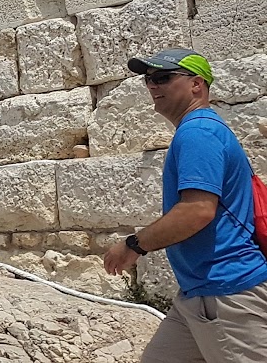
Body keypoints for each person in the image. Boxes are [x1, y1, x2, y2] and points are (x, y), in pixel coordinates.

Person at [102, 49, 267, 361]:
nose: (152, 86)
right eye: (148, 80)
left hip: (226, 293)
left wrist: (133, 245)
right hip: (199, 293)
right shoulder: (200, 130)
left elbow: (196, 211)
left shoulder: (197, 133)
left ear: (197, 84)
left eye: (163, 77)